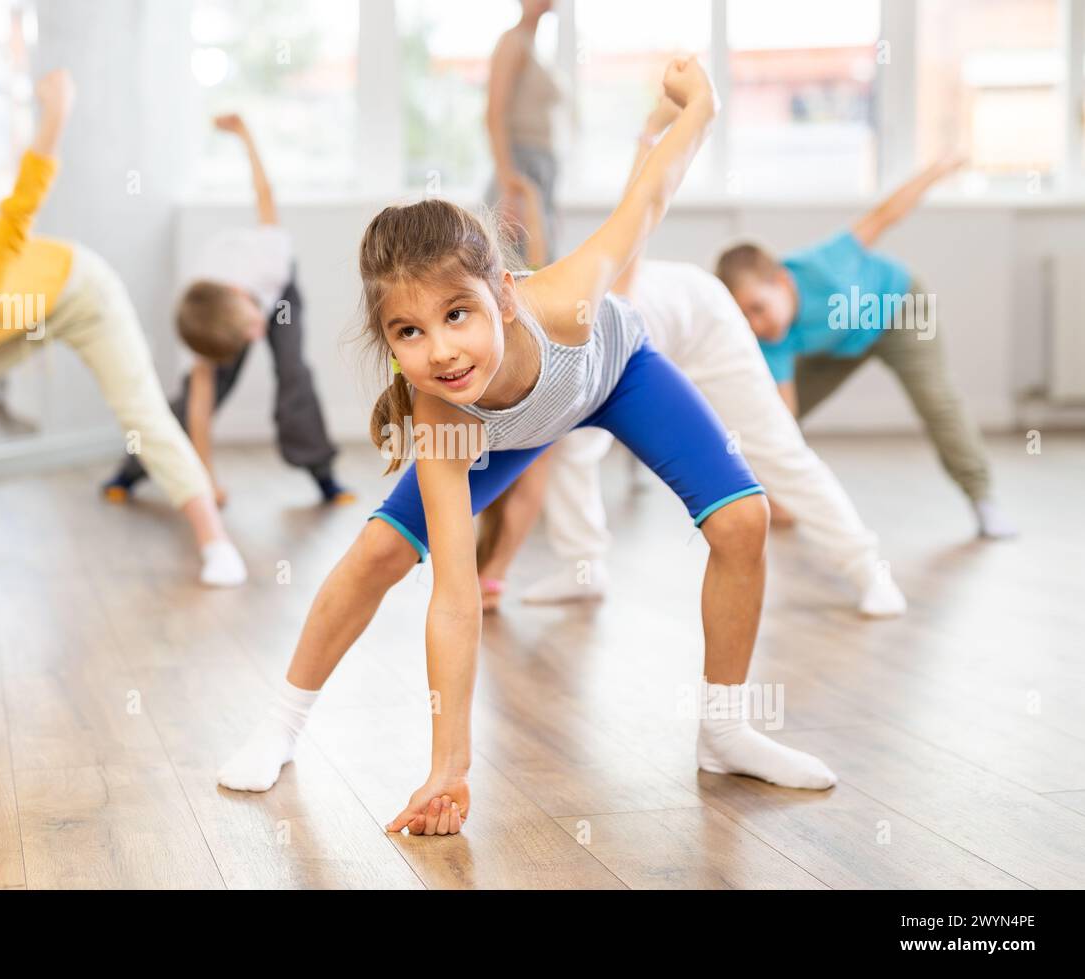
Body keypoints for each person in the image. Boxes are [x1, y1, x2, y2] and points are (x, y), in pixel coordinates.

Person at [217, 59, 838, 840]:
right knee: (377, 552)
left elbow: (648, 201)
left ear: (504, 296)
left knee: (743, 520)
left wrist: (699, 108)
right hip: (505, 429)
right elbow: (454, 594)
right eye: (409, 331)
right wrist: (451, 762)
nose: (441, 349)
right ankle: (279, 725)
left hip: (615, 377)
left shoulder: (568, 302)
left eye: (457, 314)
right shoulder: (442, 411)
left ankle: (724, 730)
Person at [475, 99, 907, 619]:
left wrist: (650, 134)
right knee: (572, 449)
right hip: (627, 351)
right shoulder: (538, 359)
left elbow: (637, 215)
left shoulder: (578, 306)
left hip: (704, 323)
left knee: (777, 450)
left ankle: (867, 566)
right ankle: (582, 566)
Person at [0, 69, 247, 588]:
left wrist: (55, 113)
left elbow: (21, 204)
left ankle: (216, 542)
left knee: (139, 411)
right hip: (25, 325)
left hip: (82, 294)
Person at [716, 156, 1016, 540]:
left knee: (936, 400)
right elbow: (783, 420)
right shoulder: (771, 336)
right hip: (841, 346)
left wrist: (936, 170)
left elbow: (885, 215)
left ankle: (983, 500)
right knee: (767, 415)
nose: (757, 325)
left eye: (758, 308)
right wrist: (778, 493)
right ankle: (747, 491)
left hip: (898, 311)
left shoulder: (823, 265)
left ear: (782, 280)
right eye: (745, 318)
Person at [102, 113, 352, 508]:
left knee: (293, 373)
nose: (257, 336)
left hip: (278, 293)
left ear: (240, 294)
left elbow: (264, 194)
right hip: (231, 310)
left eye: (253, 329)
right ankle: (130, 470)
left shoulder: (268, 259)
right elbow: (201, 409)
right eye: (249, 336)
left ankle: (324, 477)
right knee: (197, 394)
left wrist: (245, 136)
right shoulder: (205, 318)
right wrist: (206, 484)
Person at [485, 0, 562, 264]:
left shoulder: (535, 46)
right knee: (523, 275)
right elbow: (494, 115)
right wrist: (510, 189)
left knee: (543, 269)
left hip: (540, 171)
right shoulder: (512, 42)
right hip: (521, 170)